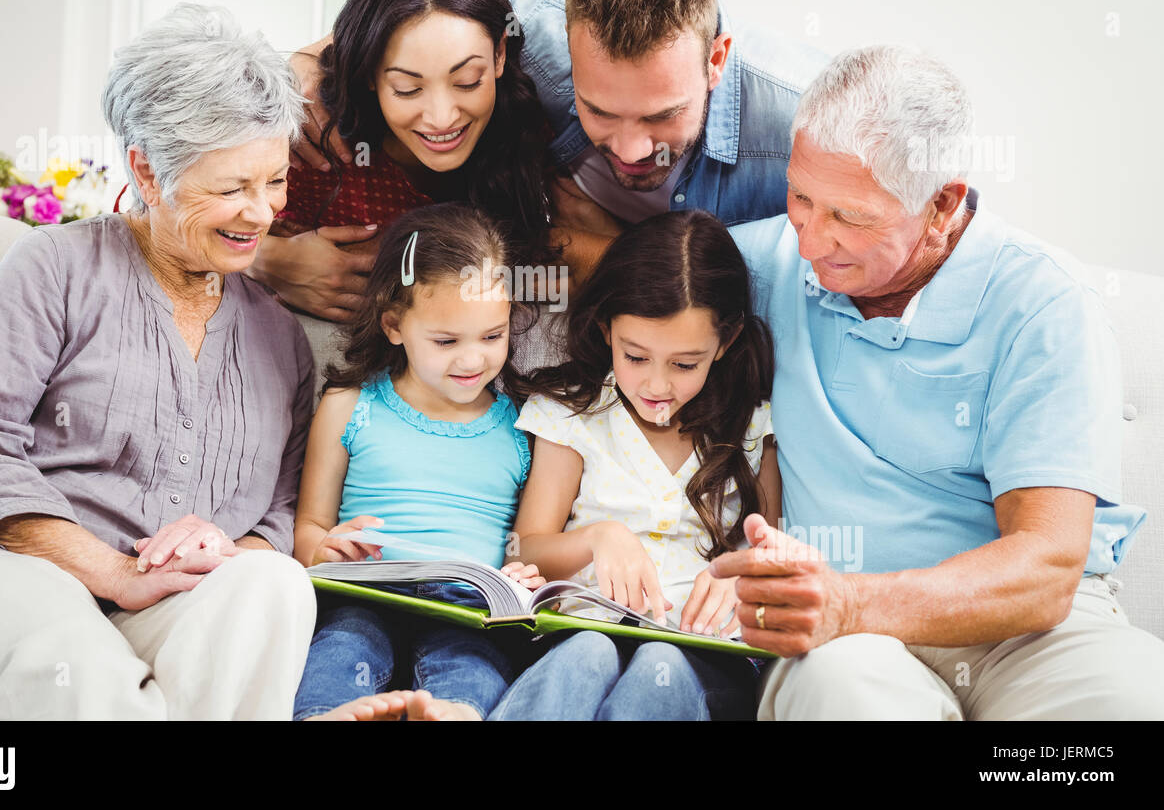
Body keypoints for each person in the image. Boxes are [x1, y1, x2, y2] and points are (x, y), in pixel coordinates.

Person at [0, 3, 317, 720]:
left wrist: (223, 543)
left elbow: (278, 512)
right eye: (232, 188)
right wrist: (110, 571)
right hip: (2, 575)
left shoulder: (279, 337)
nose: (263, 212)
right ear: (148, 173)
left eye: (273, 181)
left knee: (274, 585)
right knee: (65, 640)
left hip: (160, 606)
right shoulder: (54, 267)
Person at [713, 44, 1164, 719]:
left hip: (1031, 637)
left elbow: (1046, 568)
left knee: (1130, 703)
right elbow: (621, 284)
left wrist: (848, 600)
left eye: (849, 218)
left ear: (942, 204)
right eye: (800, 196)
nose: (808, 241)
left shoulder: (1044, 303)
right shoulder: (761, 262)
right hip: (855, 646)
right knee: (843, 695)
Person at [286, 0, 829, 313]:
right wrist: (305, 63)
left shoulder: (805, 122)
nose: (634, 150)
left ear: (716, 60)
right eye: (599, 111)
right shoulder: (541, 39)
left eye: (662, 115)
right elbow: (425, 10)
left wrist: (619, 248)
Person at [488, 210, 779, 721]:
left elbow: (775, 556)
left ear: (726, 343)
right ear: (605, 330)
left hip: (708, 655)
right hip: (583, 633)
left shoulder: (752, 427)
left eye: (685, 364)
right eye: (636, 357)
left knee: (659, 664)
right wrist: (597, 537)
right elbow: (526, 546)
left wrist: (747, 579)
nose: (657, 386)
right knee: (588, 652)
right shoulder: (573, 415)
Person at [290, 203, 545, 721]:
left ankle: (454, 713)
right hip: (365, 591)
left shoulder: (523, 427)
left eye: (493, 336)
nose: (473, 360)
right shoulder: (349, 406)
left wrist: (522, 575)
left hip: (467, 609)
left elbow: (525, 541)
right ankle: (326, 714)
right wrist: (325, 548)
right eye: (446, 341)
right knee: (344, 645)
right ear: (394, 326)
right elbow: (308, 528)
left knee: (473, 664)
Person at [248, 0, 557, 323]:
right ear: (370, 75)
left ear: (499, 55)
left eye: (467, 81)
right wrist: (263, 260)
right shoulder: (314, 138)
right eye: (408, 89)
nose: (442, 118)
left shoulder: (530, 127)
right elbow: (171, 217)